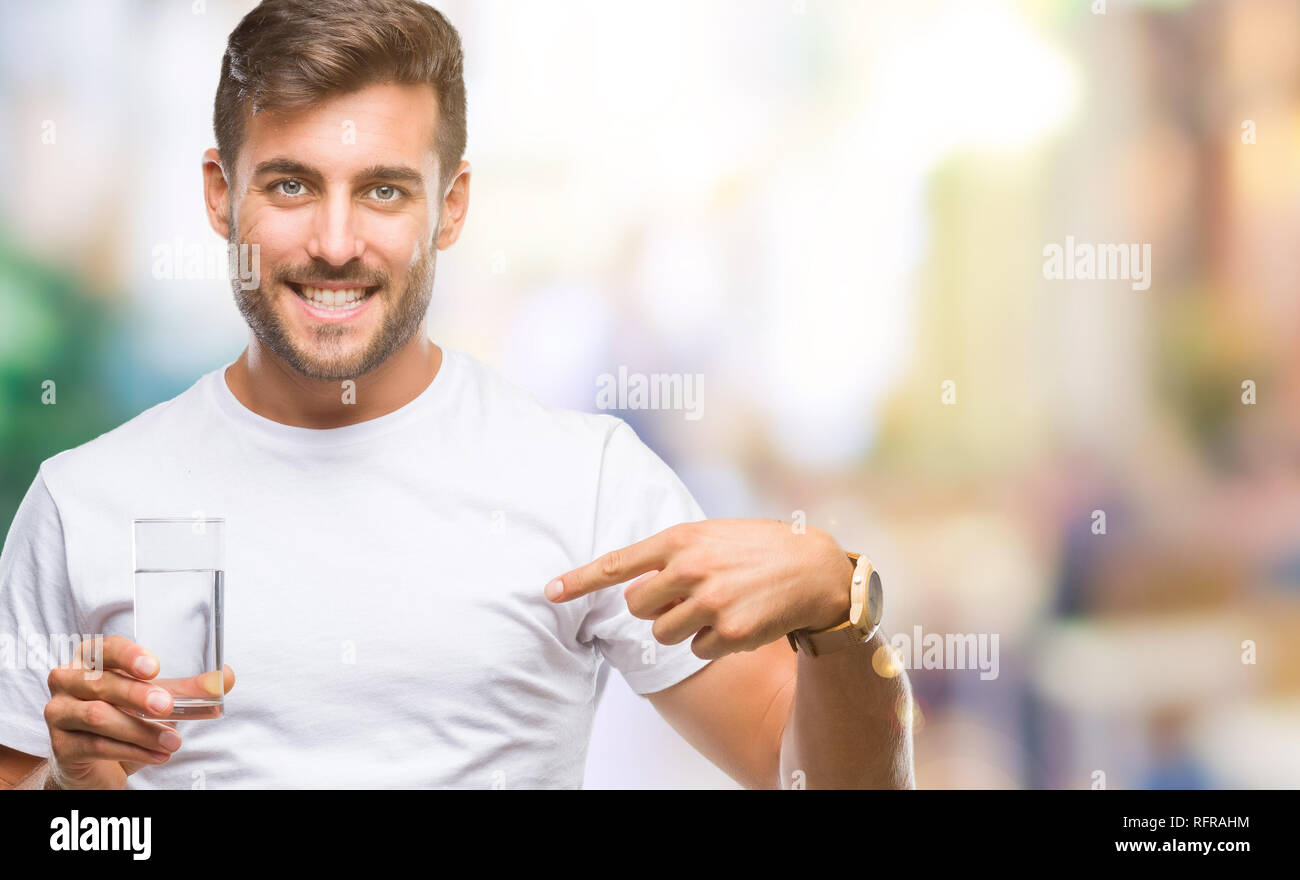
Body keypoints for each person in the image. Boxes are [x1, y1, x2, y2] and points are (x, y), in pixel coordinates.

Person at [0, 0, 912, 790]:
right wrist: (85, 800)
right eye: (290, 184)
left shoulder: (587, 484)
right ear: (218, 193)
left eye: (385, 191)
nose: (335, 240)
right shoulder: (82, 506)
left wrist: (842, 607)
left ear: (452, 206)